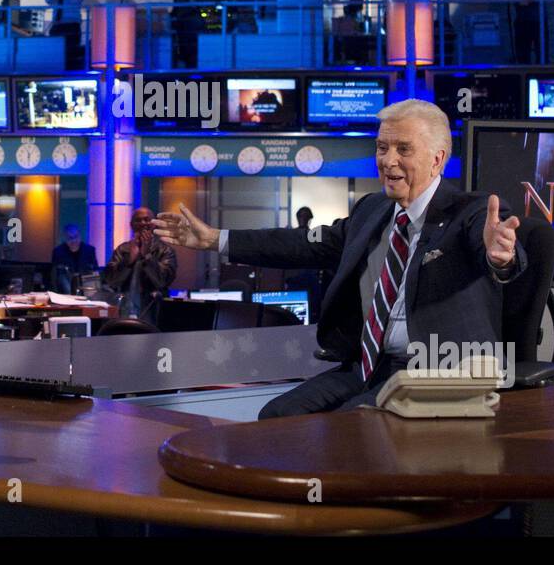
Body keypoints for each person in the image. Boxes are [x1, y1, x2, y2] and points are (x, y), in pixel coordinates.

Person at [153, 99, 526, 419]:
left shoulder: (472, 212)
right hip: (368, 367)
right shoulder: (372, 210)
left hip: (436, 372)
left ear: (437, 159)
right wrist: (215, 239)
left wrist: (500, 255)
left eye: (403, 150)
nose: (388, 160)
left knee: (348, 428)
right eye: (382, 148)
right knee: (276, 415)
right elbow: (300, 244)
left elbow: (498, 255)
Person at [103, 207, 178, 327]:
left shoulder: (165, 250)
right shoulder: (122, 250)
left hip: (153, 313)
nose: (143, 223)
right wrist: (129, 261)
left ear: (154, 224)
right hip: (123, 311)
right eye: (138, 220)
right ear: (131, 225)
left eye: (147, 220)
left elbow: (162, 281)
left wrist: (147, 256)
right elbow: (111, 281)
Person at [45, 0, 85, 70]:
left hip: (71, 25)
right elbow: (48, 0)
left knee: (71, 53)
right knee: (56, 52)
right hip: (57, 24)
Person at [51, 224, 99, 294]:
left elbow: (95, 271)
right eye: (70, 238)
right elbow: (54, 276)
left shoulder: (90, 250)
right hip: (65, 290)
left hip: (87, 286)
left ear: (80, 236)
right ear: (65, 238)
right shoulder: (58, 252)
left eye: (76, 237)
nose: (73, 240)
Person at [169, 0, 203, 69]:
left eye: (183, 0)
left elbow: (199, 25)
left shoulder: (193, 13)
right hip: (176, 45)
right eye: (179, 1)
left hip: (191, 45)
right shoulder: (173, 14)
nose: (181, 3)